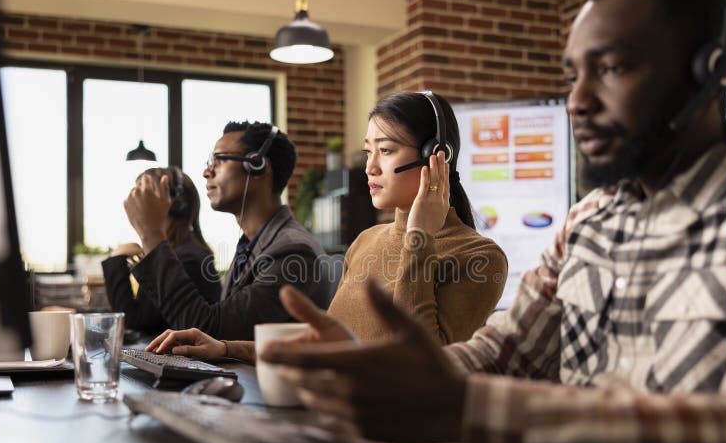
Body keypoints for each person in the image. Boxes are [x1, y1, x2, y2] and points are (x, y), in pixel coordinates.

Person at [260, 0, 726, 443]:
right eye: (572, 76)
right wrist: (386, 376)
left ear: (710, 71)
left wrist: (466, 408)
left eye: (611, 68)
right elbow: (506, 352)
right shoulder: (589, 221)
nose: (577, 101)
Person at [146, 92, 508, 361]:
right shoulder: (367, 240)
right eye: (369, 152)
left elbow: (418, 360)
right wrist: (225, 348)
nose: (371, 167)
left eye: (386, 150)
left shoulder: (480, 257)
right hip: (335, 412)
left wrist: (419, 238)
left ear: (435, 155)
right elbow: (327, 342)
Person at [123, 121, 331, 341]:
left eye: (219, 160)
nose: (206, 172)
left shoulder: (292, 251)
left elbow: (211, 330)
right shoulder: (251, 244)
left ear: (258, 165)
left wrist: (151, 235)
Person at [101, 167, 217, 334]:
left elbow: (137, 321)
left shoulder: (186, 258)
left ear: (174, 204)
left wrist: (116, 259)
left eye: (142, 195)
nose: (135, 203)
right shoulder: (180, 251)